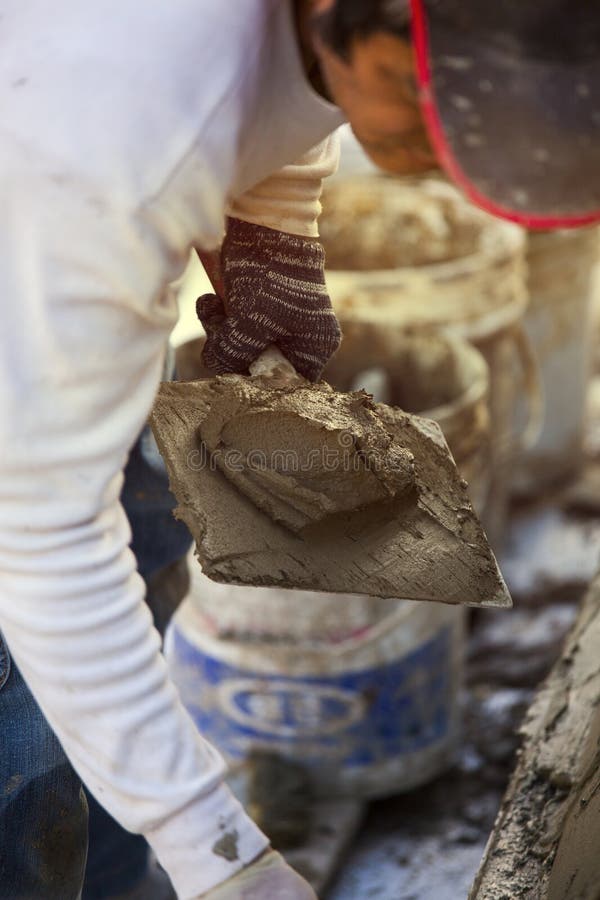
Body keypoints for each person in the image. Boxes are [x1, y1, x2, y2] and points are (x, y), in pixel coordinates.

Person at [2, 1, 598, 898]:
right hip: (38, 296)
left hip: (52, 290)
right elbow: (42, 542)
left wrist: (271, 232)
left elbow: (289, 86)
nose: (443, 150)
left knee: (144, 561)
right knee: (28, 760)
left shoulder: (291, 48)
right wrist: (220, 858)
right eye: (418, 93)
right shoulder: (122, 139)